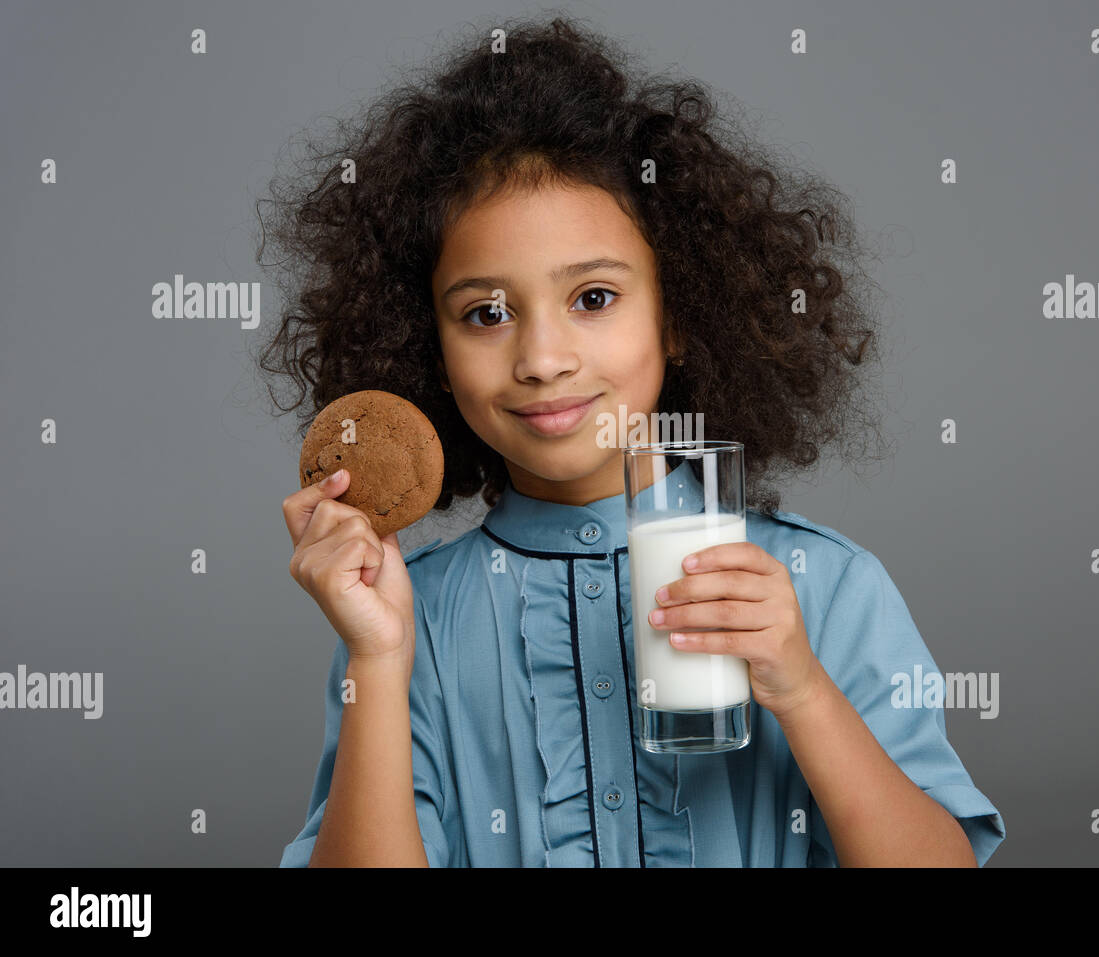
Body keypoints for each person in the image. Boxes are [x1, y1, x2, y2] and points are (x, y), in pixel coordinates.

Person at [259, 15, 1005, 867]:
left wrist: (801, 689)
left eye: (594, 298)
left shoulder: (826, 588)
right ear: (429, 347)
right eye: (486, 313)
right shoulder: (404, 619)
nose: (543, 359)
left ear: (681, 311)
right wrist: (379, 658)